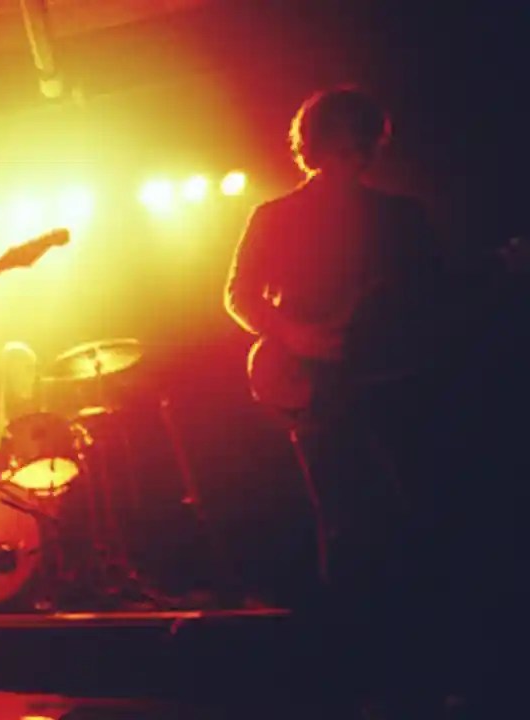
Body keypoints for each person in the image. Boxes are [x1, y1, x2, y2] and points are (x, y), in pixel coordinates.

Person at [224, 87, 446, 718]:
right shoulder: (275, 216)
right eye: (345, 146)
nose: (355, 158)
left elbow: (435, 296)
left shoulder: (400, 218)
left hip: (395, 383)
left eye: (362, 147)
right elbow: (239, 294)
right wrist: (293, 334)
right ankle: (360, 674)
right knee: (346, 526)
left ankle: (411, 673)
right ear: (317, 147)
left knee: (407, 519)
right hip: (321, 390)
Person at [0, 341, 41, 455]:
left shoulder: (41, 399)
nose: (34, 375)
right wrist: (0, 420)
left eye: (34, 368)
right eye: (28, 368)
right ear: (10, 373)